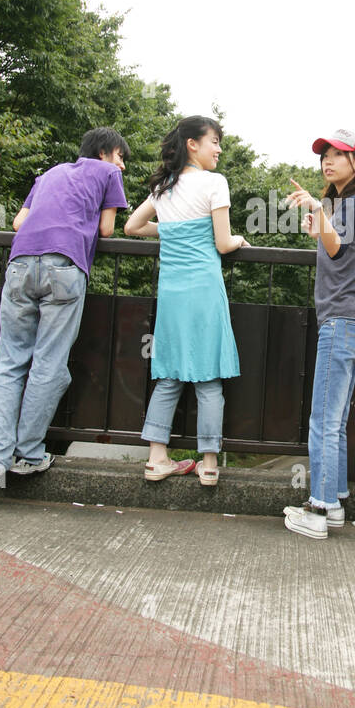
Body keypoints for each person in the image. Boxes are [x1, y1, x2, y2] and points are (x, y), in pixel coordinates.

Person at [0, 127, 130, 480]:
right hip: (64, 267)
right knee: (48, 364)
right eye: (121, 156)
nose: (122, 165)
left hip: (20, 265)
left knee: (9, 361)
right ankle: (27, 455)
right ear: (106, 152)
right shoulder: (107, 173)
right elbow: (107, 230)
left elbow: (19, 222)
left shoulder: (49, 174)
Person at [124, 115, 247, 485]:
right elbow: (224, 243)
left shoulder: (165, 186)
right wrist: (240, 240)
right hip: (205, 292)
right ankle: (208, 464)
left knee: (168, 375)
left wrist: (171, 233)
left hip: (173, 294)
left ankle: (156, 458)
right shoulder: (215, 183)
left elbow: (131, 227)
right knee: (209, 378)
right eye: (214, 141)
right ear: (193, 144)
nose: (219, 149)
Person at [282, 130, 355, 539]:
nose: (329, 160)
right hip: (354, 323)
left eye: (340, 154)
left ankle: (317, 510)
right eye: (326, 153)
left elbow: (337, 248)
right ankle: (335, 502)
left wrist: (316, 211)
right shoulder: (346, 205)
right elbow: (337, 250)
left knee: (323, 419)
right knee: (335, 421)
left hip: (341, 323)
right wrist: (317, 222)